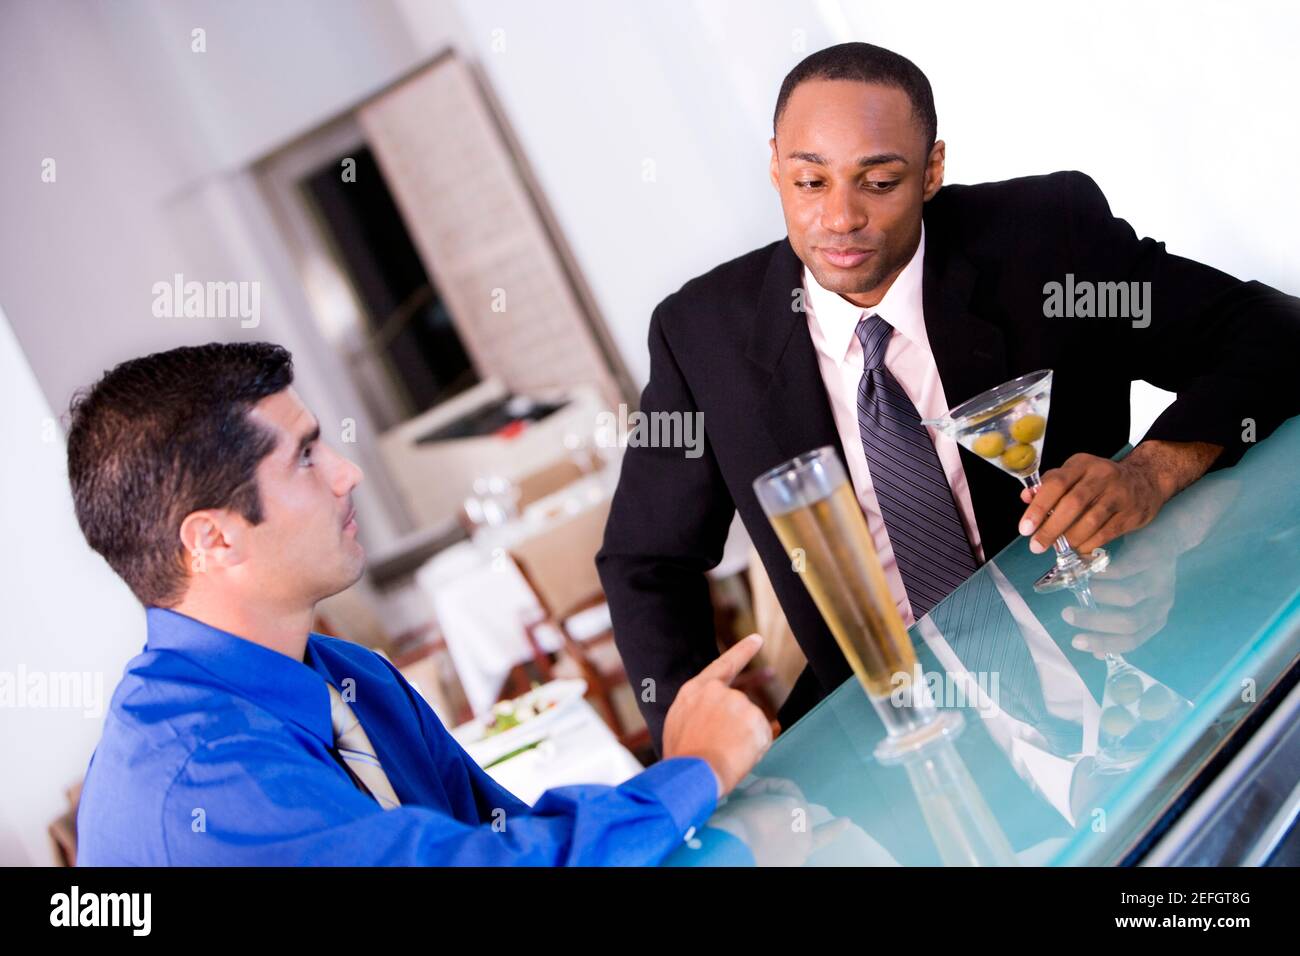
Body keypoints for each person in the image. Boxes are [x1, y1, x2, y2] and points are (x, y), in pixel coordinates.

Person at [596, 41, 1300, 752]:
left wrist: (1152, 473)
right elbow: (645, 560)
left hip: (1113, 659)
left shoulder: (1047, 240)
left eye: (879, 182)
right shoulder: (701, 336)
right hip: (886, 736)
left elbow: (1275, 333)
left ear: (932, 169)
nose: (840, 219)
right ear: (776, 165)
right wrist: (689, 748)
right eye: (811, 183)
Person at [69, 342, 772, 865]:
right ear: (215, 539)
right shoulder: (204, 779)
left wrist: (685, 782)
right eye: (307, 458)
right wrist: (694, 770)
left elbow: (504, 839)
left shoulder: (352, 677)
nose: (347, 475)